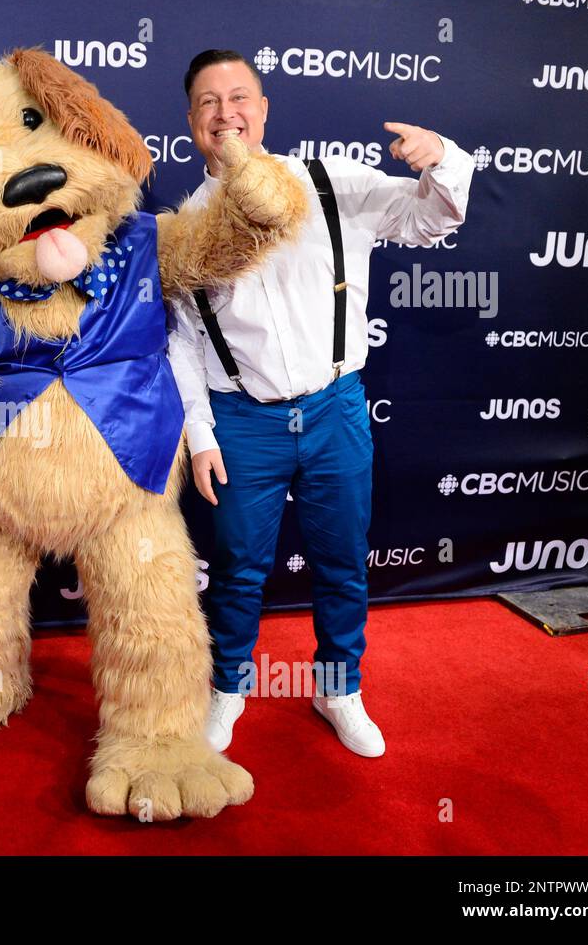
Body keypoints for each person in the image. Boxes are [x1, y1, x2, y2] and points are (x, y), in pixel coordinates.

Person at [166, 49, 472, 758]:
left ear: (264, 109)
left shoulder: (333, 185)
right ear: (191, 124)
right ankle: (228, 689)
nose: (225, 113)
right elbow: (182, 343)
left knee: (342, 563)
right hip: (242, 419)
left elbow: (431, 220)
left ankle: (338, 689)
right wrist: (202, 435)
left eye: (238, 96)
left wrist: (441, 158)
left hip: (335, 408)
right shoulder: (182, 228)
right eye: (209, 103)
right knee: (239, 567)